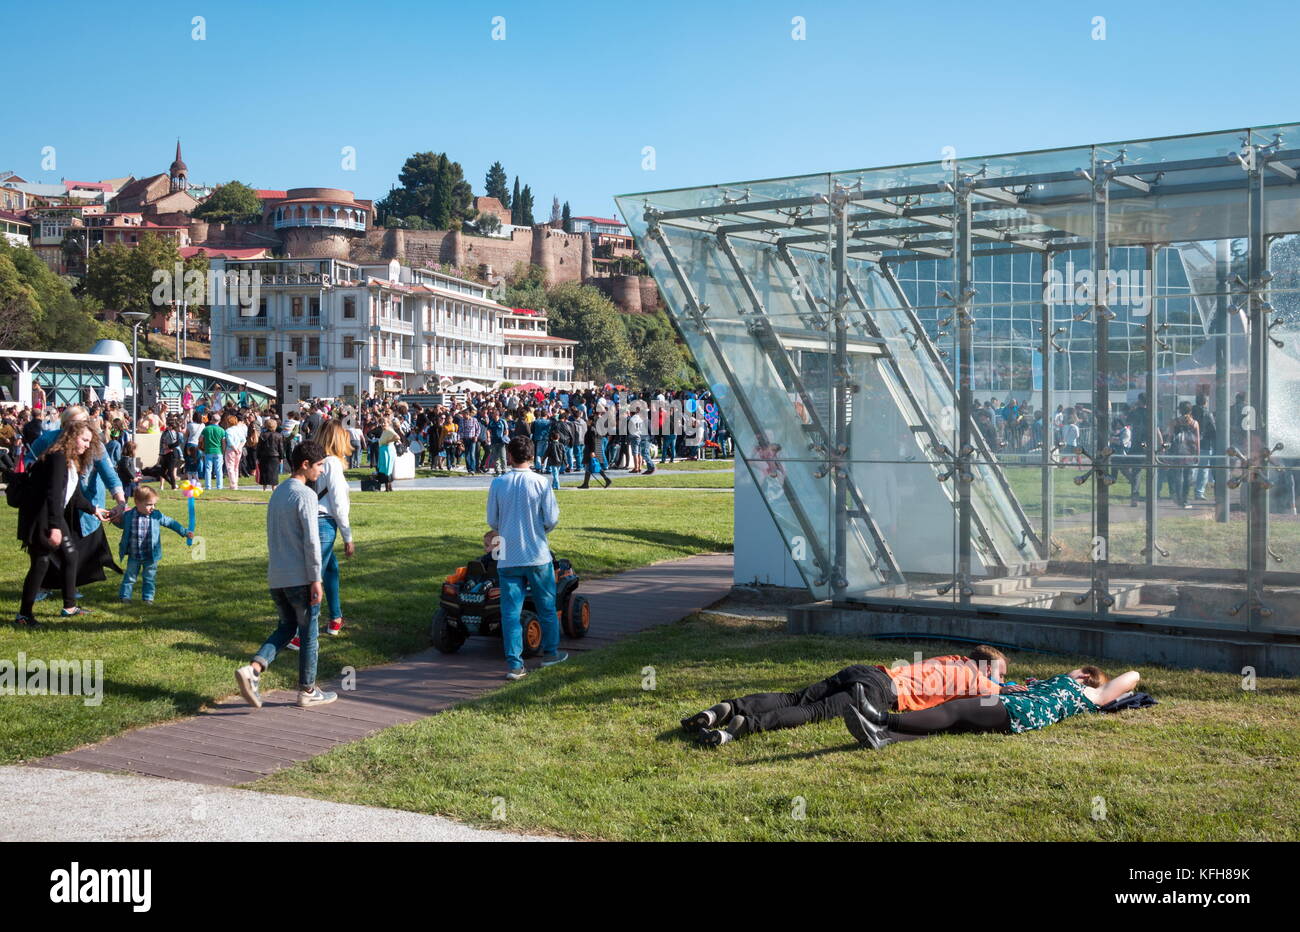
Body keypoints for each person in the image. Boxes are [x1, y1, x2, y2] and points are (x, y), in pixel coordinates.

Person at [685, 647, 1017, 747]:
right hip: (881, 692)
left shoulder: (953, 660)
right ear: (988, 668)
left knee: (795, 697)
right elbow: (993, 698)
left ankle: (726, 708)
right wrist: (1005, 687)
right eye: (999, 672)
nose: (999, 679)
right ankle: (737, 729)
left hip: (866, 671)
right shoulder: (981, 680)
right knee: (814, 712)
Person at [233, 441, 337, 710]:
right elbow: (312, 541)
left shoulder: (278, 493)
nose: (322, 471)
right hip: (300, 578)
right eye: (319, 465)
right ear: (305, 464)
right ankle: (308, 690)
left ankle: (254, 669)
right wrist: (317, 578)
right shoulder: (305, 495)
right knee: (309, 633)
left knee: (287, 627)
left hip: (277, 576)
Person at [843, 666, 1142, 749]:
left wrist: (1099, 686)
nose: (1069, 673)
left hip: (1021, 710)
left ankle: (880, 718)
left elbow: (1133, 676)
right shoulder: (1058, 687)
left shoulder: (1090, 693)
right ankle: (882, 737)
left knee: (958, 710)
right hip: (1021, 709)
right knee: (954, 726)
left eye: (1075, 671)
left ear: (1086, 676)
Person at [14, 420, 112, 625]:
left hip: (53, 516)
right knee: (40, 562)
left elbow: (73, 496)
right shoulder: (57, 458)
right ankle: (24, 615)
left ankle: (69, 606)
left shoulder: (70, 460)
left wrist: (93, 510)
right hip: (40, 518)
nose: (87, 445)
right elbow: (53, 495)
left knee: (70, 555)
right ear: (72, 436)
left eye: (89, 441)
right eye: (84, 440)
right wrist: (55, 527)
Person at [486, 435, 566, 680]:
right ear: (531, 456)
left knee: (510, 612)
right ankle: (550, 653)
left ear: (509, 456)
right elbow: (552, 518)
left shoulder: (499, 483)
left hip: (508, 554)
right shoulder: (541, 482)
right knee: (546, 606)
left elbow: (492, 520)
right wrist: (540, 529)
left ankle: (515, 664)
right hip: (536, 552)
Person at [298, 420, 354, 643]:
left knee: (330, 570)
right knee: (314, 577)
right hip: (325, 522)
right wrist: (348, 536)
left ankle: (335, 618)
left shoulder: (315, 463)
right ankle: (302, 633)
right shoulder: (332, 463)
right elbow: (339, 502)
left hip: (311, 518)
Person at [112, 485, 192, 604]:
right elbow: (121, 524)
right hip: (134, 555)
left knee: (149, 578)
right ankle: (125, 597)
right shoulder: (129, 515)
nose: (152, 507)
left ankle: (148, 598)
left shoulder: (156, 515)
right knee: (129, 577)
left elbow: (171, 523)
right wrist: (113, 519)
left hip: (151, 556)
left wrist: (184, 531)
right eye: (149, 504)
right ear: (137, 502)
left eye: (154, 504)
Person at [256, 417, 285, 489]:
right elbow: (280, 448)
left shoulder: (262, 435)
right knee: (274, 473)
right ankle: (273, 487)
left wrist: (257, 457)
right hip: (275, 456)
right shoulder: (279, 435)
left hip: (264, 456)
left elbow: (259, 447)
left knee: (264, 472)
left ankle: (264, 488)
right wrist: (281, 457)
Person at [223, 413, 247, 491]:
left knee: (230, 467)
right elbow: (243, 440)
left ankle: (233, 484)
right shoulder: (239, 429)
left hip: (231, 450)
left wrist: (235, 449)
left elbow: (230, 441)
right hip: (239, 450)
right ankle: (235, 483)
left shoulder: (228, 430)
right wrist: (239, 448)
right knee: (236, 467)